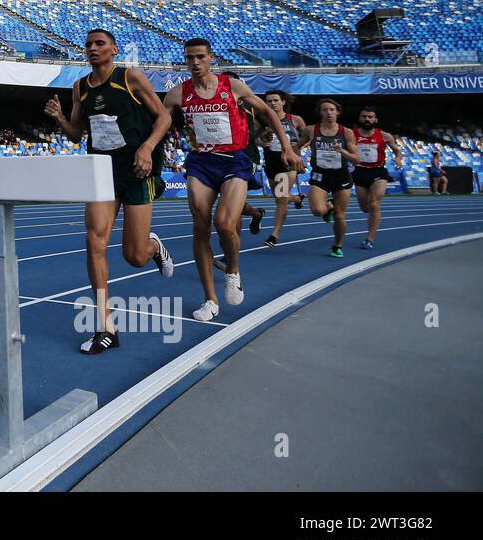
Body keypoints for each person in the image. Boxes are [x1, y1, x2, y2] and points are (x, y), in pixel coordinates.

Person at [44, 29, 174, 355]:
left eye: (99, 44)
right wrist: (61, 118)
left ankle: (154, 246)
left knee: (134, 256)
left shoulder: (129, 77)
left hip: (136, 170)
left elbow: (163, 117)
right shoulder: (80, 88)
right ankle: (106, 326)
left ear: (114, 49)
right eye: (88, 44)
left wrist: (146, 148)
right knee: (94, 239)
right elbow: (76, 134)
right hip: (102, 172)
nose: (92, 48)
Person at [162, 39, 301, 322]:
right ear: (185, 61)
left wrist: (286, 146)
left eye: (201, 57)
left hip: (234, 161)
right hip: (200, 163)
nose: (196, 63)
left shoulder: (233, 86)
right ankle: (210, 300)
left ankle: (233, 270)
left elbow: (267, 112)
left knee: (225, 223)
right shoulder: (177, 95)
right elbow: (161, 125)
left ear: (211, 58)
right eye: (190, 58)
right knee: (200, 227)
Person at [307, 99, 363, 258]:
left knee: (340, 215)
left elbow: (356, 159)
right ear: (320, 112)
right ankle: (328, 207)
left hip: (341, 175)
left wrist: (341, 151)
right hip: (320, 173)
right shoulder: (311, 130)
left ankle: (337, 245)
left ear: (338, 112)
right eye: (325, 110)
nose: (329, 113)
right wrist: (295, 156)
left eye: (332, 110)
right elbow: (299, 145)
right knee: (318, 210)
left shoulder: (346, 132)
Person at [257, 89, 310, 247]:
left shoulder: (295, 120)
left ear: (283, 102)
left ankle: (274, 235)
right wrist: (263, 141)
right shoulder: (263, 120)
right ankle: (298, 198)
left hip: (289, 163)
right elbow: (255, 140)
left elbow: (307, 136)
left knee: (281, 199)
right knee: (281, 197)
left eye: (275, 100)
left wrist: (297, 150)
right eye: (269, 101)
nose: (272, 103)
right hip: (270, 161)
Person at [351, 105, 403, 250]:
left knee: (374, 204)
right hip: (359, 172)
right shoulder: (351, 134)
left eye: (370, 117)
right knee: (365, 208)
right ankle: (371, 228)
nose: (367, 119)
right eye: (364, 117)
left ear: (375, 119)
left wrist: (398, 159)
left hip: (378, 172)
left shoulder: (385, 136)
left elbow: (398, 151)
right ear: (359, 118)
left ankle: (370, 238)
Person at [222, 72, 266, 237]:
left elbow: (266, 119)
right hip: (224, 155)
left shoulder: (249, 103)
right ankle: (255, 213)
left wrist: (259, 136)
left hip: (247, 156)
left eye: (232, 81)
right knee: (231, 201)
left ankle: (231, 248)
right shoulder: (217, 101)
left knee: (230, 201)